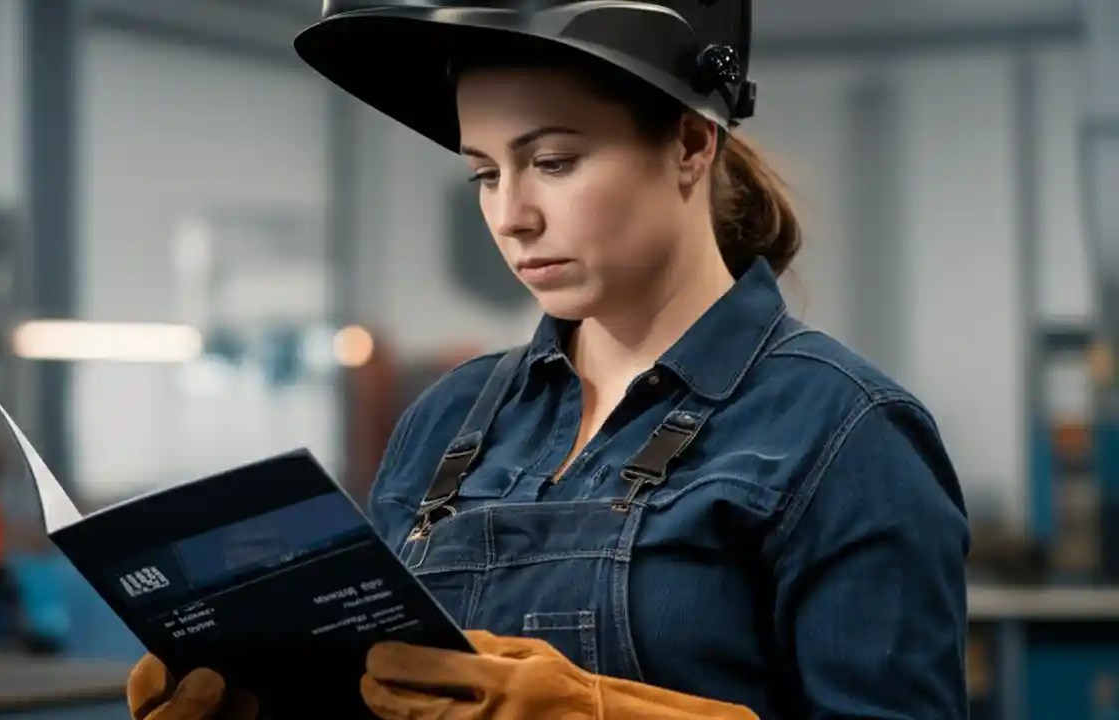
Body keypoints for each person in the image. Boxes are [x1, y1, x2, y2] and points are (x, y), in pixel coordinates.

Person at [127, 1, 971, 718]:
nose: (511, 216)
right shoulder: (445, 421)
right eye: (484, 175)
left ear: (689, 144)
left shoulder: (845, 434)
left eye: (554, 162)